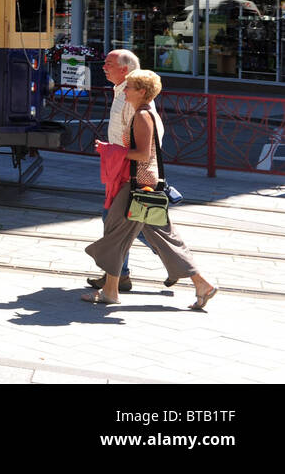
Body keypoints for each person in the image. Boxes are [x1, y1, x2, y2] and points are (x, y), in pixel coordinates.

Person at [83, 70, 218, 309]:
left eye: (130, 87)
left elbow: (143, 154)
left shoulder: (142, 116)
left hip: (137, 184)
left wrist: (108, 150)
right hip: (146, 184)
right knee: (162, 237)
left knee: (116, 233)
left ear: (142, 92)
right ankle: (201, 283)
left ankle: (111, 291)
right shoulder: (144, 113)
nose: (125, 91)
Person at [88, 49, 167, 293]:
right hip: (123, 167)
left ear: (124, 69)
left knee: (126, 221)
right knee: (133, 221)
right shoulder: (122, 91)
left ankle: (180, 264)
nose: (103, 67)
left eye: (108, 64)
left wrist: (116, 153)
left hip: (130, 170)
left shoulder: (132, 98)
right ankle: (119, 276)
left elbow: (148, 138)